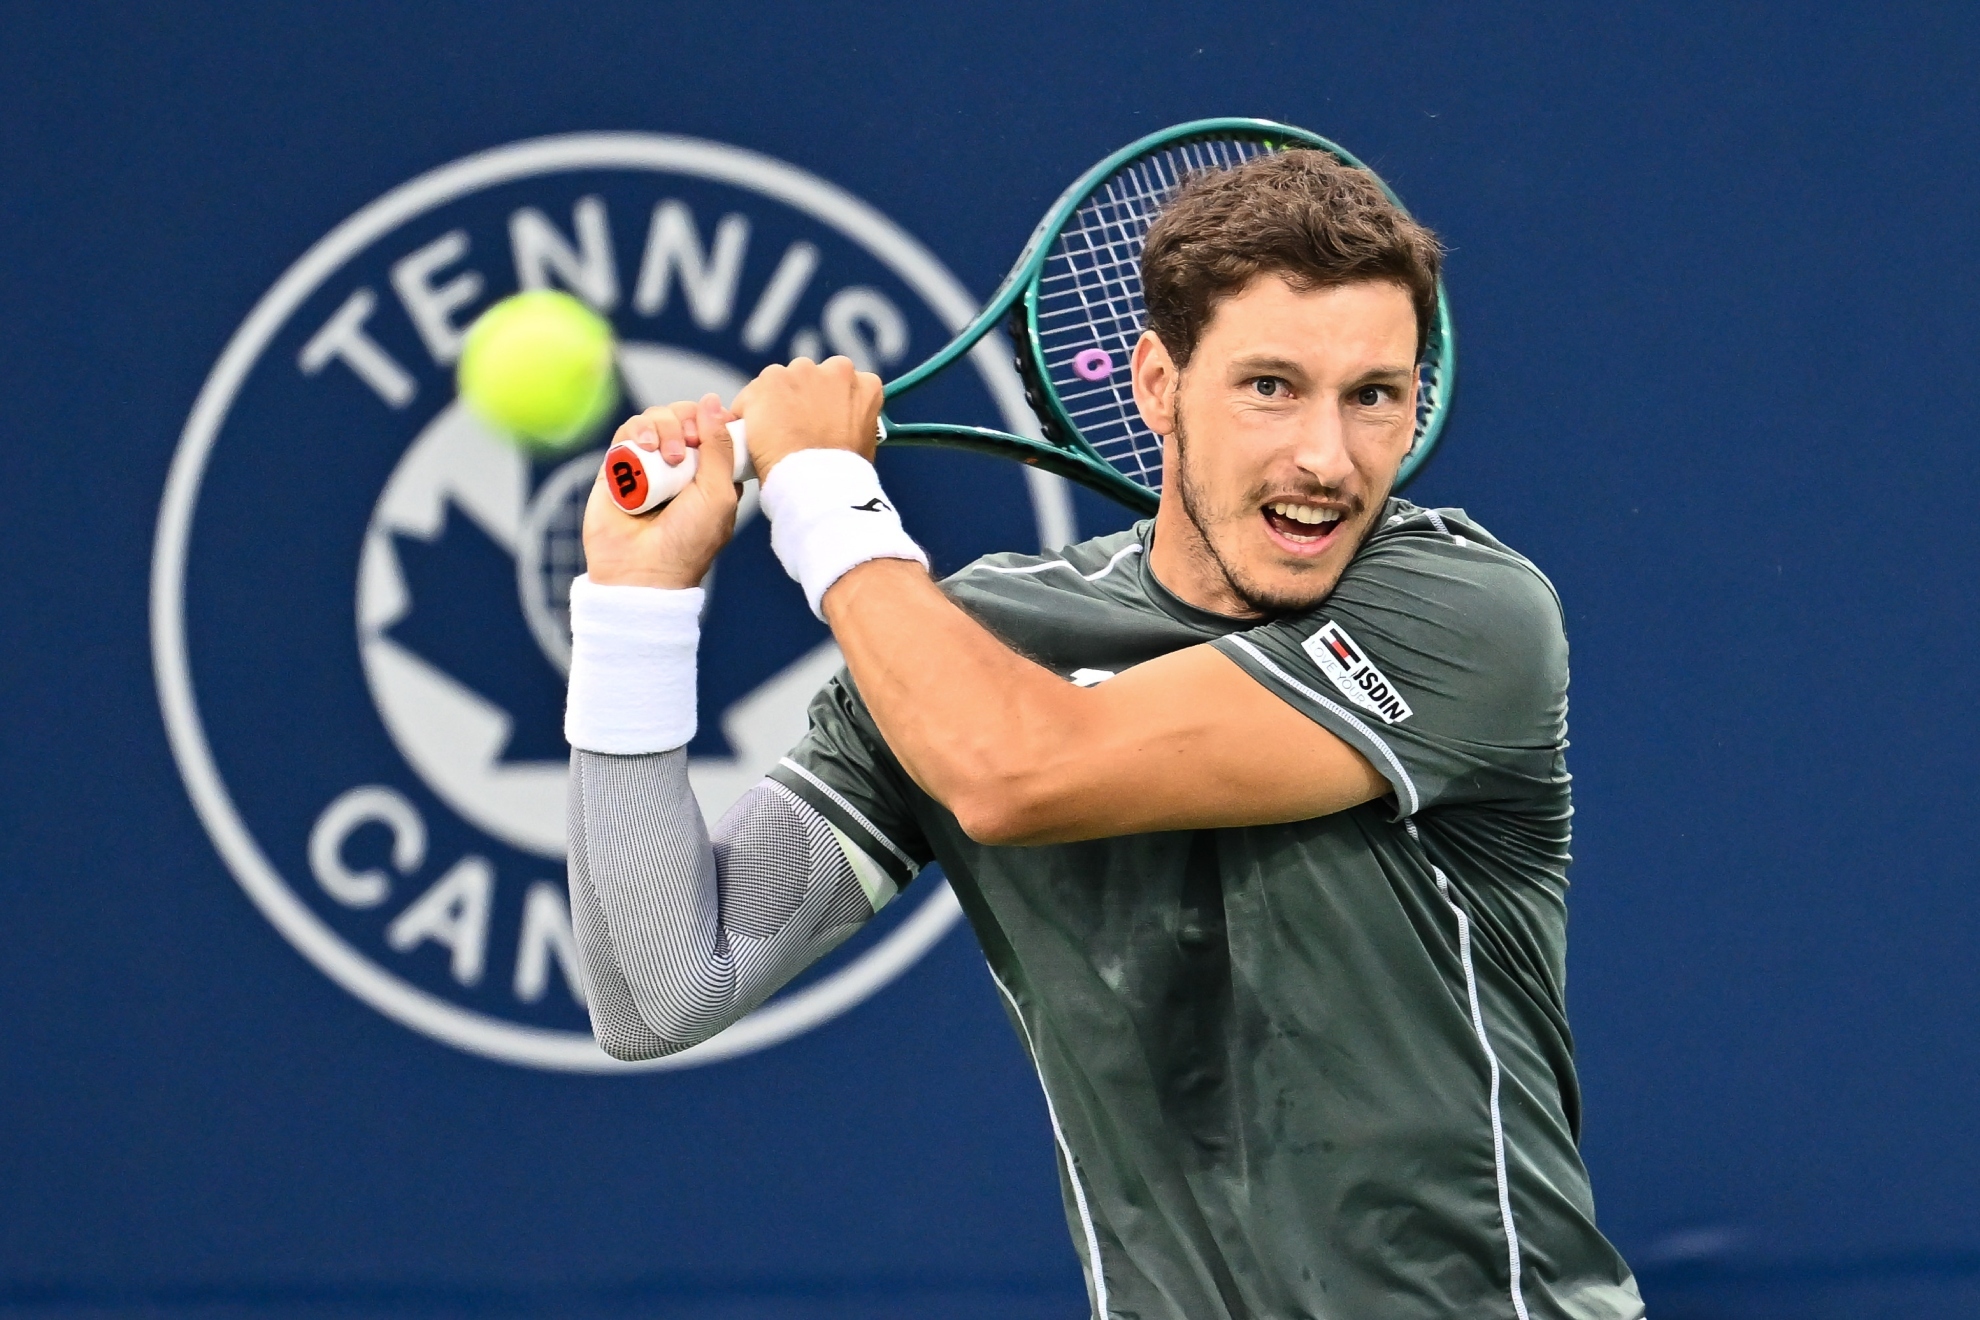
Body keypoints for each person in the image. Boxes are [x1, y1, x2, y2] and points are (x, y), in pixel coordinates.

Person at [561, 150, 1644, 1320]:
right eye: (1270, 387)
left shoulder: (1462, 612)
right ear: (1156, 385)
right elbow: (661, 990)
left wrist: (825, 493)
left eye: (1374, 395)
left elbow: (1019, 770)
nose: (1327, 458)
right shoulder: (970, 647)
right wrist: (634, 609)